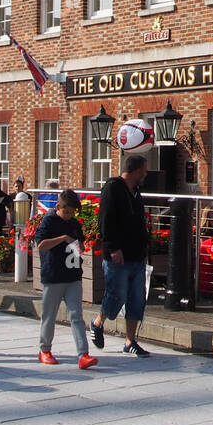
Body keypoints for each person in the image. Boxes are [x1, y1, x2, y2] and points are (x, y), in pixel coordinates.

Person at [89, 155, 150, 357]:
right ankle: (98, 323)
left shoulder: (136, 193)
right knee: (116, 295)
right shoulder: (112, 189)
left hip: (136, 255)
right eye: (144, 170)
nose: (146, 174)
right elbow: (105, 220)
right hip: (118, 255)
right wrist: (113, 247)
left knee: (136, 299)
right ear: (136, 170)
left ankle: (130, 341)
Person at [34, 188, 97, 370]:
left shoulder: (75, 224)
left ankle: (83, 354)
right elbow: (41, 245)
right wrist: (62, 238)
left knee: (76, 315)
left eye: (71, 212)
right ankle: (44, 349)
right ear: (58, 207)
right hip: (53, 275)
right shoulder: (48, 221)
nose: (68, 215)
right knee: (49, 315)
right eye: (66, 211)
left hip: (72, 275)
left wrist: (79, 248)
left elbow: (80, 244)